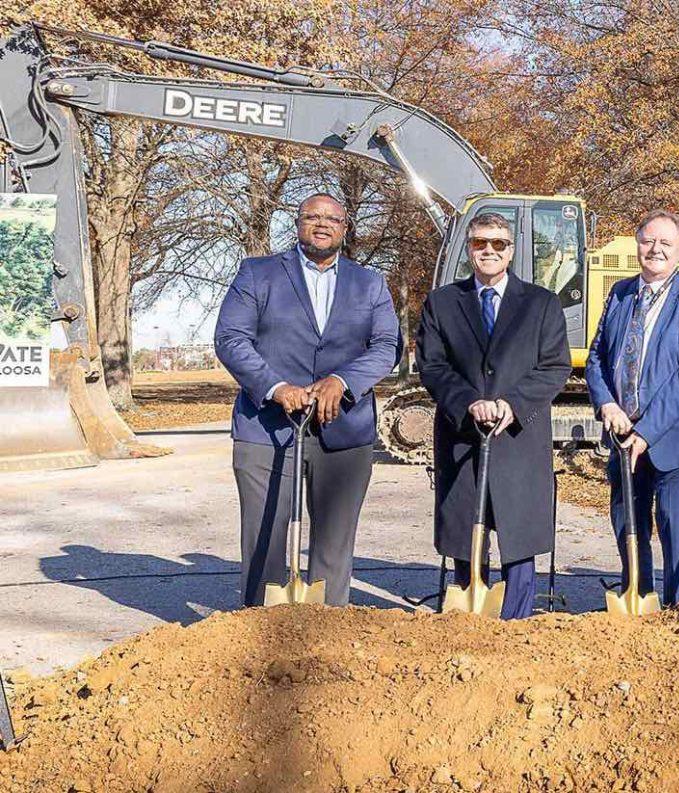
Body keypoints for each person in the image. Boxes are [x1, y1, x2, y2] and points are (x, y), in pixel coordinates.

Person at [214, 192, 400, 607]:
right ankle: (260, 634)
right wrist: (276, 387)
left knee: (334, 546)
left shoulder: (370, 283)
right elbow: (231, 338)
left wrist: (343, 380)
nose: (322, 224)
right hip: (267, 429)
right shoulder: (257, 274)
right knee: (264, 538)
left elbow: (387, 345)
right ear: (297, 224)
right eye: (312, 217)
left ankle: (326, 633)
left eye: (332, 219)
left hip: (344, 430)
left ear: (345, 227)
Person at [416, 212, 572, 619]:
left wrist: (512, 405)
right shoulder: (442, 303)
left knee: (518, 534)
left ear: (512, 250)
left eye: (498, 243)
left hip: (518, 438)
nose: (489, 250)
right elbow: (432, 365)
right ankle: (469, 608)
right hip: (462, 436)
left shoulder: (541, 304)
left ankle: (517, 619)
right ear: (468, 249)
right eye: (480, 243)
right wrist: (467, 401)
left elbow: (554, 366)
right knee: (467, 526)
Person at [586, 209, 679, 606]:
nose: (655, 249)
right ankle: (637, 599)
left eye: (666, 243)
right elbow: (596, 358)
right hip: (620, 434)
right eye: (648, 241)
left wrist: (645, 433)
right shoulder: (620, 293)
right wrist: (607, 403)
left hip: (674, 440)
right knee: (627, 523)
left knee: (677, 529)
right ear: (637, 245)